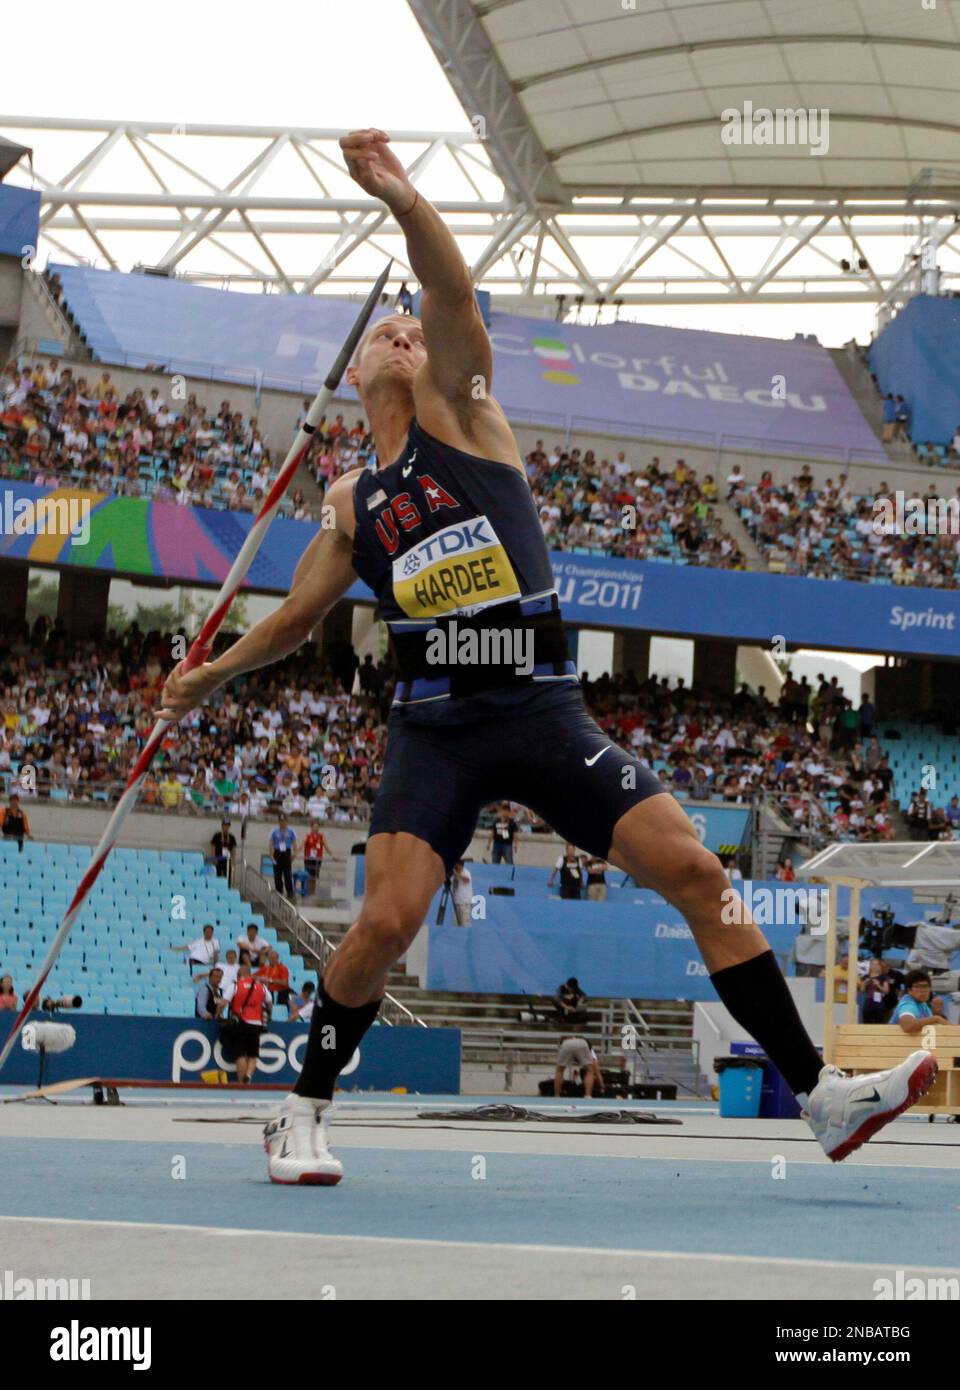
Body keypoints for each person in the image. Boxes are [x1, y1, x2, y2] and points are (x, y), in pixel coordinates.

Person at [159, 125, 938, 1184]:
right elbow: (296, 618)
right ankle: (301, 1111)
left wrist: (404, 200)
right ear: (357, 372)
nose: (404, 333)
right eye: (386, 331)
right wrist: (208, 676)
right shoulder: (351, 502)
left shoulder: (470, 418)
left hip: (541, 712)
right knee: (386, 919)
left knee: (700, 872)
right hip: (435, 730)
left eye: (411, 328)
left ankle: (822, 1097)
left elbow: (450, 294)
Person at [228, 964, 271, 1084]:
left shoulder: (235, 985)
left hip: (241, 1022)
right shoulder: (261, 986)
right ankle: (248, 1075)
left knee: (240, 1053)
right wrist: (269, 1015)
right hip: (256, 1023)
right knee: (253, 1054)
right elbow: (270, 1002)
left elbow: (224, 1001)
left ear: (239, 974)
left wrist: (218, 1013)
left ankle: (241, 1082)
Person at [256, 947, 292, 1012]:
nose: (272, 960)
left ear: (277, 958)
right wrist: (260, 978)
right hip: (269, 991)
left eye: (273, 958)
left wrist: (270, 980)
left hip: (281, 991)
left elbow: (284, 982)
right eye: (270, 958)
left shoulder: (282, 968)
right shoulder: (266, 968)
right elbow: (253, 976)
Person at [270, 814, 297, 896]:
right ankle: (279, 892)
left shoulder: (291, 831)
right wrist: (271, 856)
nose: (282, 823)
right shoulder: (274, 831)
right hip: (277, 853)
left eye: (284, 821)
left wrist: (294, 854)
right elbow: (271, 844)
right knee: (277, 875)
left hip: (286, 853)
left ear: (287, 821)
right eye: (281, 821)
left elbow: (294, 843)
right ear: (279, 822)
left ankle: (290, 892)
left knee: (287, 875)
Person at [303, 821, 329, 891]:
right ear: (311, 827)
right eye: (314, 827)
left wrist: (332, 855)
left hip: (318, 859)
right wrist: (295, 854)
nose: (316, 828)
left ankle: (312, 891)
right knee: (309, 875)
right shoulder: (308, 836)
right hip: (309, 859)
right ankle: (308, 891)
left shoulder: (321, 836)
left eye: (317, 827)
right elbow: (302, 845)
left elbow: (326, 847)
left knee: (315, 876)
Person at [451, 859, 473, 925]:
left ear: (460, 865)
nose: (455, 867)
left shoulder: (466, 872)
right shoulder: (453, 874)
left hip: (465, 902)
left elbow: (467, 880)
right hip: (456, 902)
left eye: (457, 865)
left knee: (465, 924)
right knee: (458, 924)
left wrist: (457, 874)